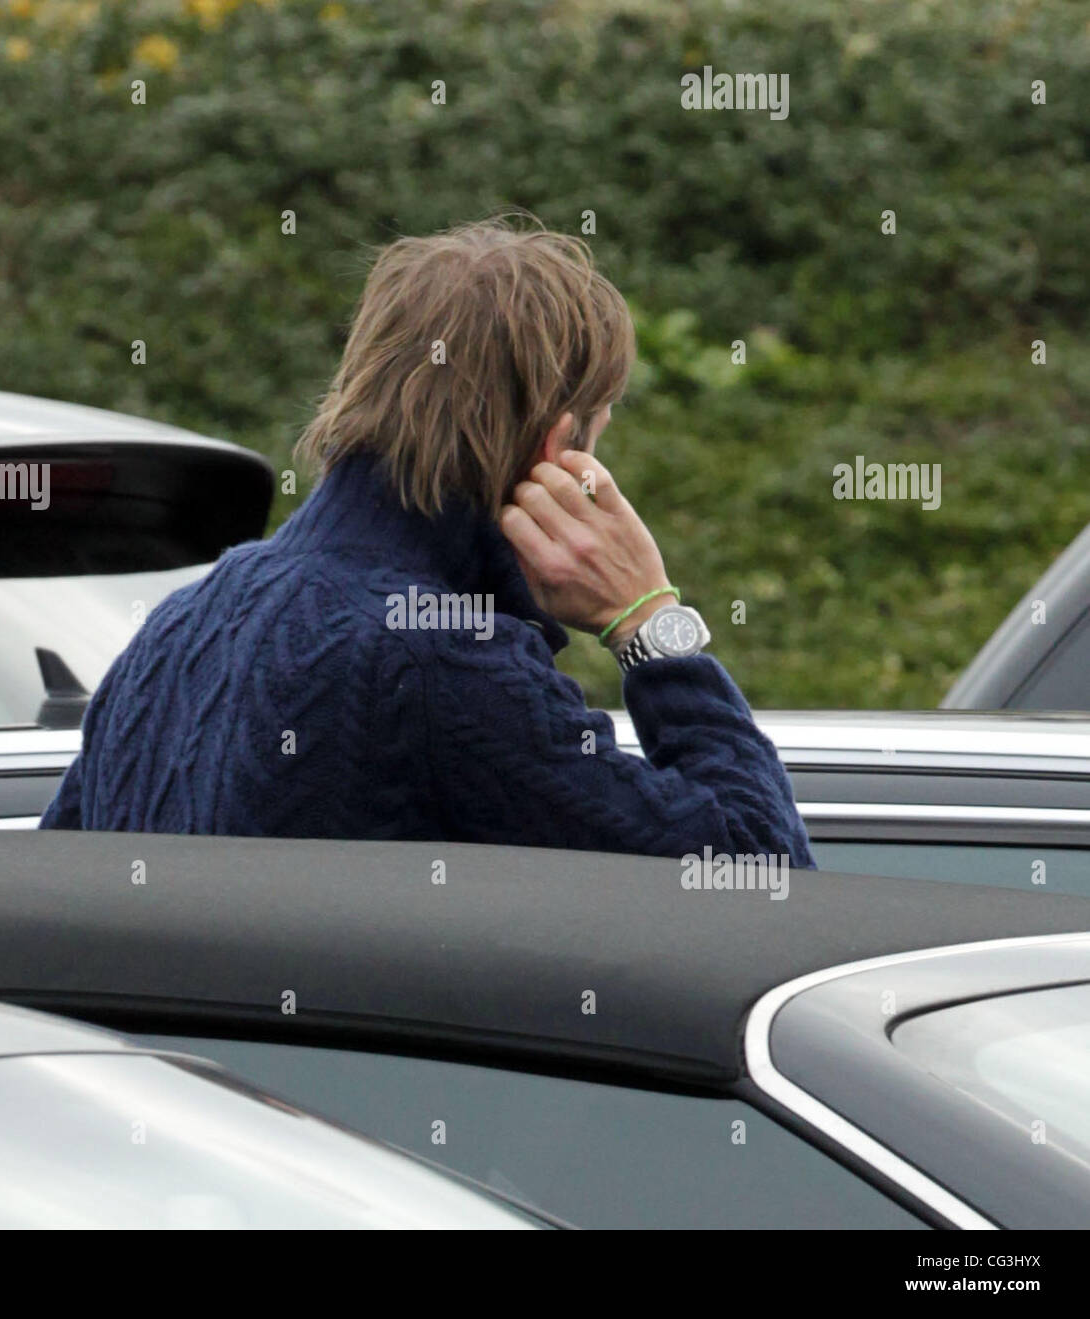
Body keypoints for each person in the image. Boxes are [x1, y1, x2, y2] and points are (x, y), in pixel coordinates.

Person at [40, 216, 814, 868]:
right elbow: (760, 873)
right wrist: (649, 622)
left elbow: (60, 901)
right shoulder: (439, 659)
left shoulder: (178, 625)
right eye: (597, 439)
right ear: (557, 450)